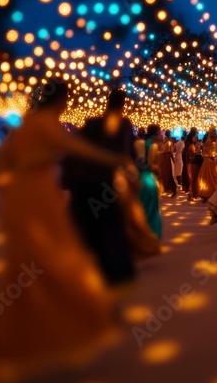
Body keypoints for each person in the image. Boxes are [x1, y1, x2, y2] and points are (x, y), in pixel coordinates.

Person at [0, 82, 128, 380]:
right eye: (66, 99)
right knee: (58, 261)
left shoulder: (25, 124)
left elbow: (1, 163)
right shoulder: (44, 123)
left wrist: (12, 183)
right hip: (38, 201)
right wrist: (113, 159)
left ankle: (16, 343)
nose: (67, 105)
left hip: (20, 200)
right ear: (58, 100)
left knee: (25, 268)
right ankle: (73, 327)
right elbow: (75, 147)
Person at [64, 90, 137, 299]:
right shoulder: (121, 125)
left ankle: (90, 281)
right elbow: (124, 154)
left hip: (86, 186)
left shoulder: (92, 124)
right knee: (110, 229)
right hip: (104, 183)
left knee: (92, 232)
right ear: (123, 104)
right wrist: (132, 176)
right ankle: (110, 285)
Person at [135, 125, 164, 238]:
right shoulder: (153, 146)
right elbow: (152, 164)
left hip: (141, 175)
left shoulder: (142, 143)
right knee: (151, 207)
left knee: (143, 204)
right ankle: (149, 233)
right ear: (156, 133)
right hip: (149, 177)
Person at [196, 128, 217, 203]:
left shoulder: (216, 140)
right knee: (207, 179)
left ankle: (214, 195)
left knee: (213, 178)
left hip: (214, 161)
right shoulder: (209, 141)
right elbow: (206, 150)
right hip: (209, 162)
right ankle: (207, 195)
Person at [184, 128, 202, 202]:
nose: (197, 138)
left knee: (192, 178)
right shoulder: (192, 146)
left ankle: (193, 194)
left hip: (190, 163)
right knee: (194, 178)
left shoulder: (189, 145)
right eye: (196, 136)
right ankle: (192, 194)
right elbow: (193, 155)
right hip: (194, 163)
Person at [157, 133, 177, 197]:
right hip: (164, 160)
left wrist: (173, 160)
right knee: (165, 174)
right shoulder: (166, 143)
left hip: (166, 160)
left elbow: (170, 152)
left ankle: (173, 189)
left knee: (168, 174)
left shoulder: (168, 143)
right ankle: (169, 189)